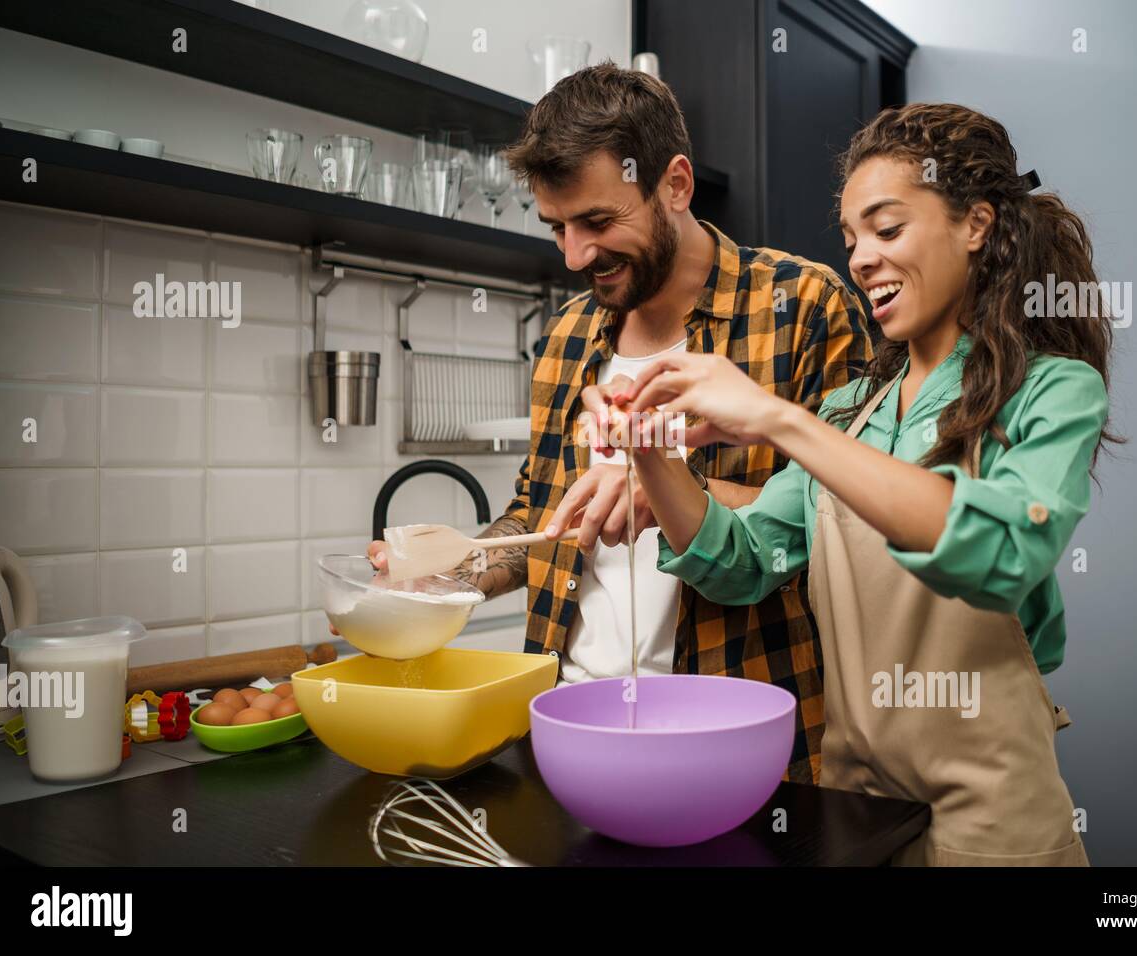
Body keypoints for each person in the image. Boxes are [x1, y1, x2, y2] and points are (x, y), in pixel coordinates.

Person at [601, 103, 1119, 865]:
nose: (862, 259)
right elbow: (741, 562)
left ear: (975, 224)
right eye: (851, 241)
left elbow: (1002, 549)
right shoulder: (850, 412)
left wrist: (780, 421)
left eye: (886, 229)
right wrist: (651, 449)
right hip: (855, 816)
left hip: (995, 823)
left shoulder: (1054, 391)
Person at [367, 64, 872, 784]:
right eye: (558, 229)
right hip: (571, 733)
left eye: (599, 222)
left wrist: (665, 490)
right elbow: (539, 515)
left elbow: (850, 530)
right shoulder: (569, 332)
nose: (575, 255)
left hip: (740, 741)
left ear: (674, 184)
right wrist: (451, 574)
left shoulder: (806, 306)